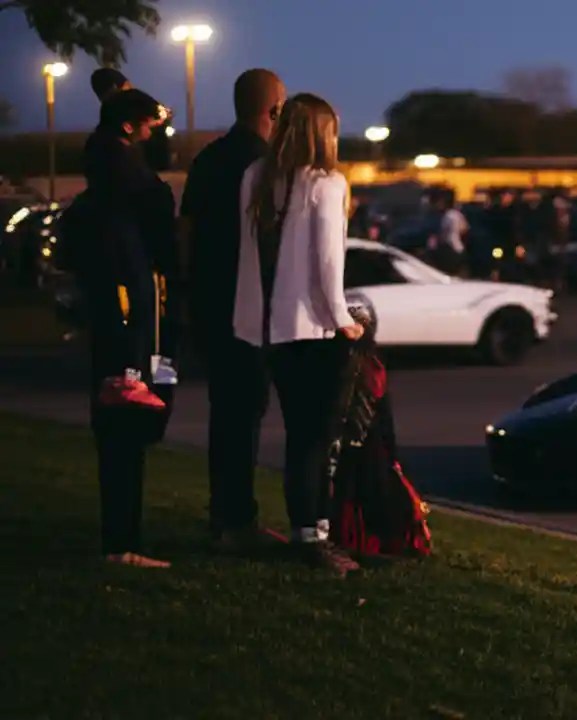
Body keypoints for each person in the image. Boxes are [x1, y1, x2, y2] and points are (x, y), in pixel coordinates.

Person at [233, 93, 365, 575]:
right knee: (316, 438)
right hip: (311, 326)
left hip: (268, 326)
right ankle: (315, 536)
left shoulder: (256, 177)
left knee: (297, 435)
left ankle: (303, 530)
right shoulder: (326, 182)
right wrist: (342, 319)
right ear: (320, 132)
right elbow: (328, 262)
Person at [180, 69, 286, 551]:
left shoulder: (209, 159)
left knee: (225, 412)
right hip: (250, 307)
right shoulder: (264, 167)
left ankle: (223, 513)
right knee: (245, 413)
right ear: (274, 111)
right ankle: (237, 521)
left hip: (208, 302)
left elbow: (186, 232)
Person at [79, 88, 178, 568]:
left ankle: (123, 538)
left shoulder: (107, 175)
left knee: (125, 426)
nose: (152, 134)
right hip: (125, 330)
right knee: (125, 424)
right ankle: (122, 542)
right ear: (127, 128)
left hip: (122, 320)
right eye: (146, 127)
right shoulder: (125, 185)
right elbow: (155, 210)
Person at [433, 190, 468, 276]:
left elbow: (444, 234)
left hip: (450, 249)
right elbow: (464, 229)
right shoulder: (458, 214)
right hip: (458, 248)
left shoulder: (448, 216)